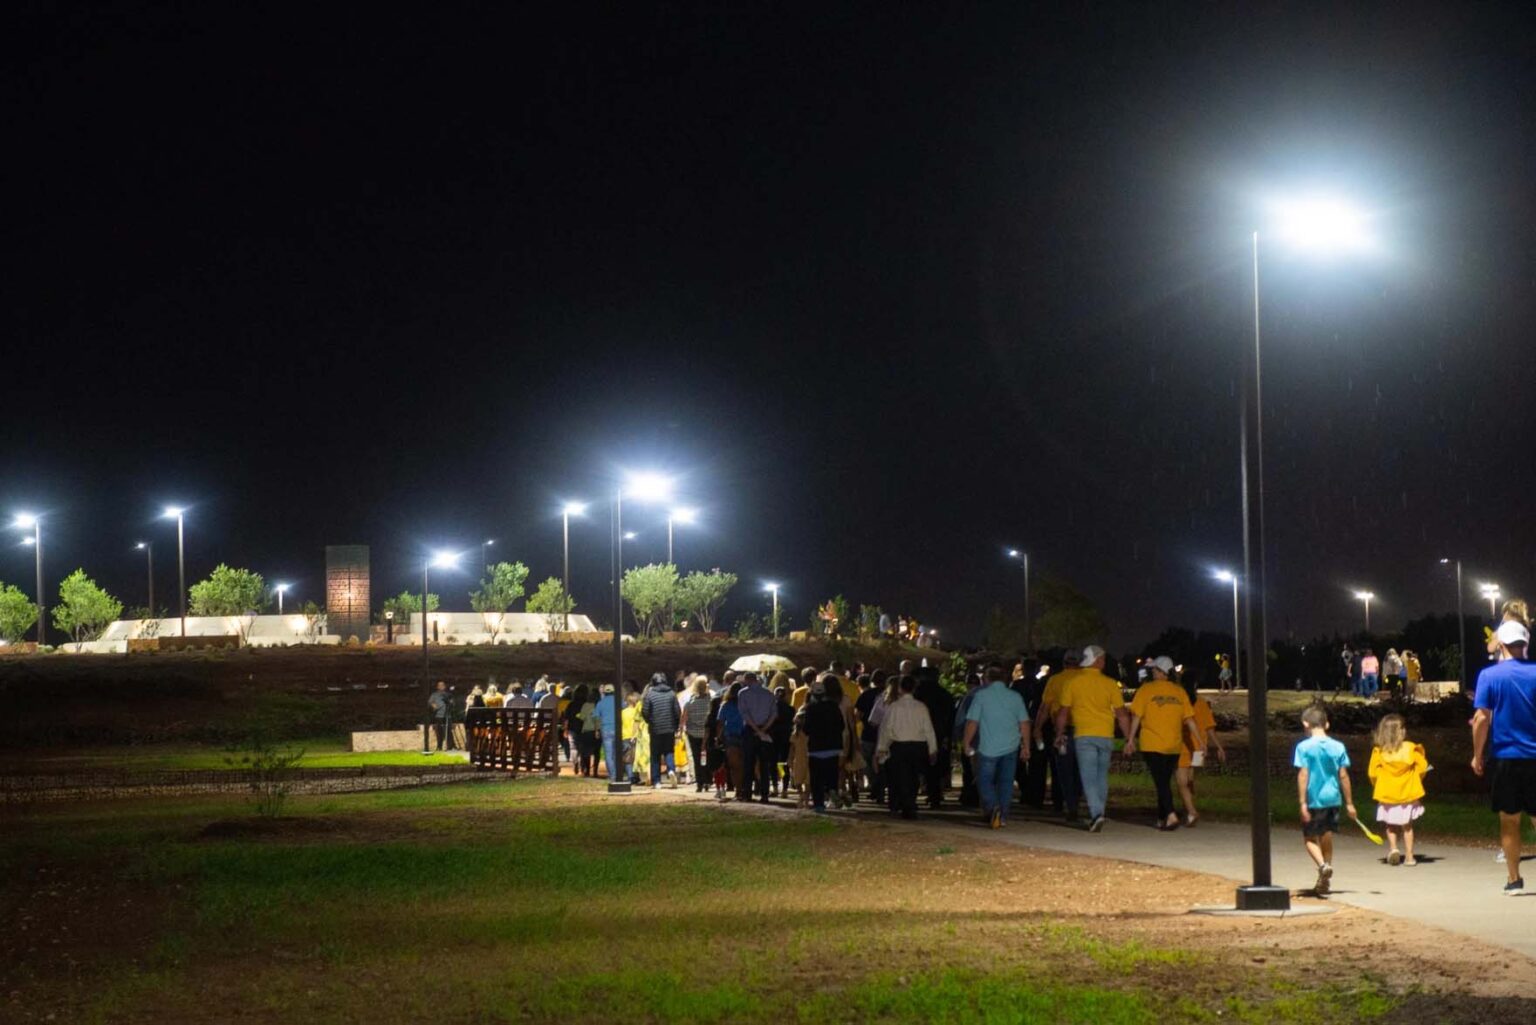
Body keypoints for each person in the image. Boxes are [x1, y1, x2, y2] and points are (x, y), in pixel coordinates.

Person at [1471, 620, 1536, 895]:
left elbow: (1481, 719)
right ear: (1525, 644)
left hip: (1506, 758)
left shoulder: (1489, 676)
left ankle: (1514, 879)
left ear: (1501, 645)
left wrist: (1477, 756)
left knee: (1509, 821)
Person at [1123, 656, 1201, 831]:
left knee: (1161, 782)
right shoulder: (1179, 691)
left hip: (1152, 743)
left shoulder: (1146, 690)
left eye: (1155, 669)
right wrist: (1200, 741)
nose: (1152, 671)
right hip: (1173, 745)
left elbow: (1137, 716)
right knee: (1163, 781)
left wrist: (1130, 739)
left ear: (1162, 672)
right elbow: (1190, 720)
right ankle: (1161, 816)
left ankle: (1171, 815)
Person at [1294, 704, 1356, 896]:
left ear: (1306, 724)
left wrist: (1302, 802)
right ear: (1326, 724)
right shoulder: (1338, 747)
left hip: (1314, 798)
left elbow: (1303, 774)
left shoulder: (1304, 747)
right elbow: (1344, 775)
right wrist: (1350, 803)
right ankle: (1325, 872)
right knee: (1326, 834)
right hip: (1333, 797)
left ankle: (1322, 866)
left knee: (1309, 838)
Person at [962, 662, 1030, 829]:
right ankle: (1003, 815)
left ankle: (993, 807)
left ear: (986, 679)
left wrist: (966, 742)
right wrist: (1026, 746)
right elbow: (1025, 723)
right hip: (1011, 746)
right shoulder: (1015, 697)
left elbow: (972, 722)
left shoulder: (981, 696)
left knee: (984, 780)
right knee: (1006, 782)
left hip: (988, 747)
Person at [875, 674, 938, 819]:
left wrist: (881, 748)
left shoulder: (894, 707)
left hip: (899, 746)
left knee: (901, 776)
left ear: (900, 689)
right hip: (918, 746)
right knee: (914, 776)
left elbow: (886, 729)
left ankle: (905, 804)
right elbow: (929, 729)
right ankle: (909, 803)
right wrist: (932, 749)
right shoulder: (921, 707)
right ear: (914, 689)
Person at [1369, 713, 1428, 866]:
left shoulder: (1379, 752)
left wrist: (1377, 784)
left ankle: (1394, 848)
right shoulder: (1410, 749)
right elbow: (1422, 767)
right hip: (1407, 793)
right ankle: (1409, 856)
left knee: (1390, 825)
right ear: (1401, 731)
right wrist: (1417, 778)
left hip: (1387, 793)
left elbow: (1372, 773)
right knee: (1407, 826)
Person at [1036, 653, 1081, 820]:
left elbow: (1045, 707)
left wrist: (1038, 728)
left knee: (1063, 769)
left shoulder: (1055, 680)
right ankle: (1077, 797)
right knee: (1080, 768)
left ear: (1063, 664)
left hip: (1062, 730)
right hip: (1084, 729)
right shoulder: (1085, 679)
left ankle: (1066, 803)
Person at [1176, 677, 1224, 826]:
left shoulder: (1180, 703)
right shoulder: (1202, 704)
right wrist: (1219, 746)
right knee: (1190, 780)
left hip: (1183, 747)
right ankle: (1188, 809)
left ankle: (1191, 811)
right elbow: (1210, 727)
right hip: (1199, 748)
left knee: (1181, 782)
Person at [799, 679, 848, 813]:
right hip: (833, 747)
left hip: (816, 748)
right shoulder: (833, 706)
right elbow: (842, 725)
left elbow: (806, 729)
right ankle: (832, 789)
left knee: (816, 778)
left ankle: (819, 804)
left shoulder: (810, 708)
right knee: (832, 773)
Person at [914, 667, 956, 808]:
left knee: (917, 766)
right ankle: (935, 795)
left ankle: (916, 796)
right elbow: (951, 718)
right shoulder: (945, 695)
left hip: (919, 735)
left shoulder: (917, 694)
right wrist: (948, 736)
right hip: (940, 734)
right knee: (935, 767)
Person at [736, 672, 778, 802]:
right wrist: (763, 729)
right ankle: (764, 794)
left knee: (748, 763)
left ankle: (747, 793)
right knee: (764, 764)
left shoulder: (743, 693)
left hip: (750, 730)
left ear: (748, 680)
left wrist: (755, 729)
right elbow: (774, 714)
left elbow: (745, 714)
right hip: (766, 729)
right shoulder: (769, 693)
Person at [641, 672, 681, 787]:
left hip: (655, 729)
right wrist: (676, 725)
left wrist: (650, 721)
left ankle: (657, 781)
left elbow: (645, 711)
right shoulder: (671, 694)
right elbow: (677, 712)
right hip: (669, 728)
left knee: (655, 755)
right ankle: (671, 770)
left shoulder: (650, 694)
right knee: (669, 751)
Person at [855, 671, 887, 804]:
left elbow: (858, 715)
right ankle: (880, 787)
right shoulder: (889, 695)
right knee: (883, 763)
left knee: (868, 763)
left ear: (872, 681)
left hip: (868, 734)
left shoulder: (866, 695)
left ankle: (875, 786)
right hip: (885, 735)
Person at [715, 681, 746, 798]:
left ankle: (738, 789)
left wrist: (718, 738)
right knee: (744, 764)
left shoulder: (726, 705)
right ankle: (744, 787)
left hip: (731, 736)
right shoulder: (745, 704)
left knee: (734, 767)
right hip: (744, 734)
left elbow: (720, 723)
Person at [682, 676, 713, 792]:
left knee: (696, 758)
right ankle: (707, 780)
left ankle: (699, 783)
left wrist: (683, 728)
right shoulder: (709, 701)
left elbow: (684, 718)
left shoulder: (690, 702)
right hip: (706, 733)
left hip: (693, 734)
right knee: (705, 757)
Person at [770, 679, 794, 796]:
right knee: (783, 763)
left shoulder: (772, 708)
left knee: (773, 762)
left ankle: (775, 786)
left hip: (773, 738)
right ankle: (784, 788)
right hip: (785, 738)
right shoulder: (790, 709)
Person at [427, 681, 453, 751]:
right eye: (440, 685)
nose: (441, 686)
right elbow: (430, 702)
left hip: (447, 716)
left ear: (445, 686)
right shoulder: (434, 695)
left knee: (448, 732)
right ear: (437, 687)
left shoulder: (448, 694)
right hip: (438, 716)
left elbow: (452, 703)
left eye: (443, 685)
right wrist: (434, 706)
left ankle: (450, 747)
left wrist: (450, 703)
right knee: (439, 732)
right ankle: (439, 747)